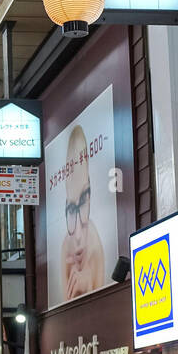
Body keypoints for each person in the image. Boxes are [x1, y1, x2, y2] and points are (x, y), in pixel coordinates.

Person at [60, 124, 105, 301]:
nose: (78, 234)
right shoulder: (65, 251)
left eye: (84, 199)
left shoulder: (96, 250)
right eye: (71, 210)